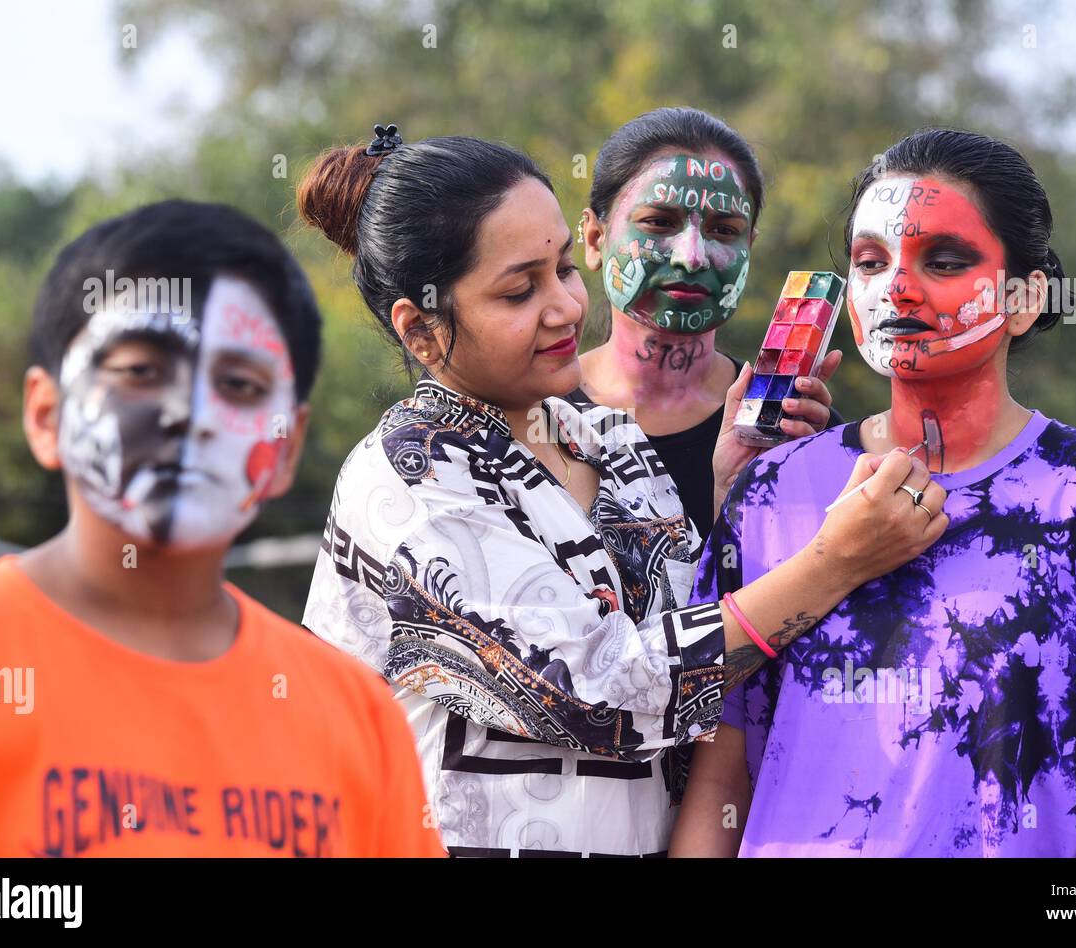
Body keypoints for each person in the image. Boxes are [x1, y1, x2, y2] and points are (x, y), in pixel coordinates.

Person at [299, 124, 945, 857]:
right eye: (520, 290)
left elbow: (695, 654)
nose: (567, 307)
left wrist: (730, 489)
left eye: (563, 272)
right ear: (420, 330)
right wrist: (836, 563)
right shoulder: (411, 477)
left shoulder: (604, 440)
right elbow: (600, 693)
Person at [671, 128, 1076, 858]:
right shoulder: (773, 488)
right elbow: (719, 783)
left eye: (945, 260)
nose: (898, 286)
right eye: (871, 262)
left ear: (1023, 298)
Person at [0, 200, 445, 857]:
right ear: (45, 415)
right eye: (142, 371)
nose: (193, 415)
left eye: (238, 384)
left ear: (287, 447)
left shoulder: (358, 718)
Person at [573, 107, 843, 541]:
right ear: (594, 238)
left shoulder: (798, 429)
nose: (693, 255)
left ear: (749, 246)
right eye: (659, 222)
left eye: (723, 230)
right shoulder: (531, 416)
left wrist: (785, 478)